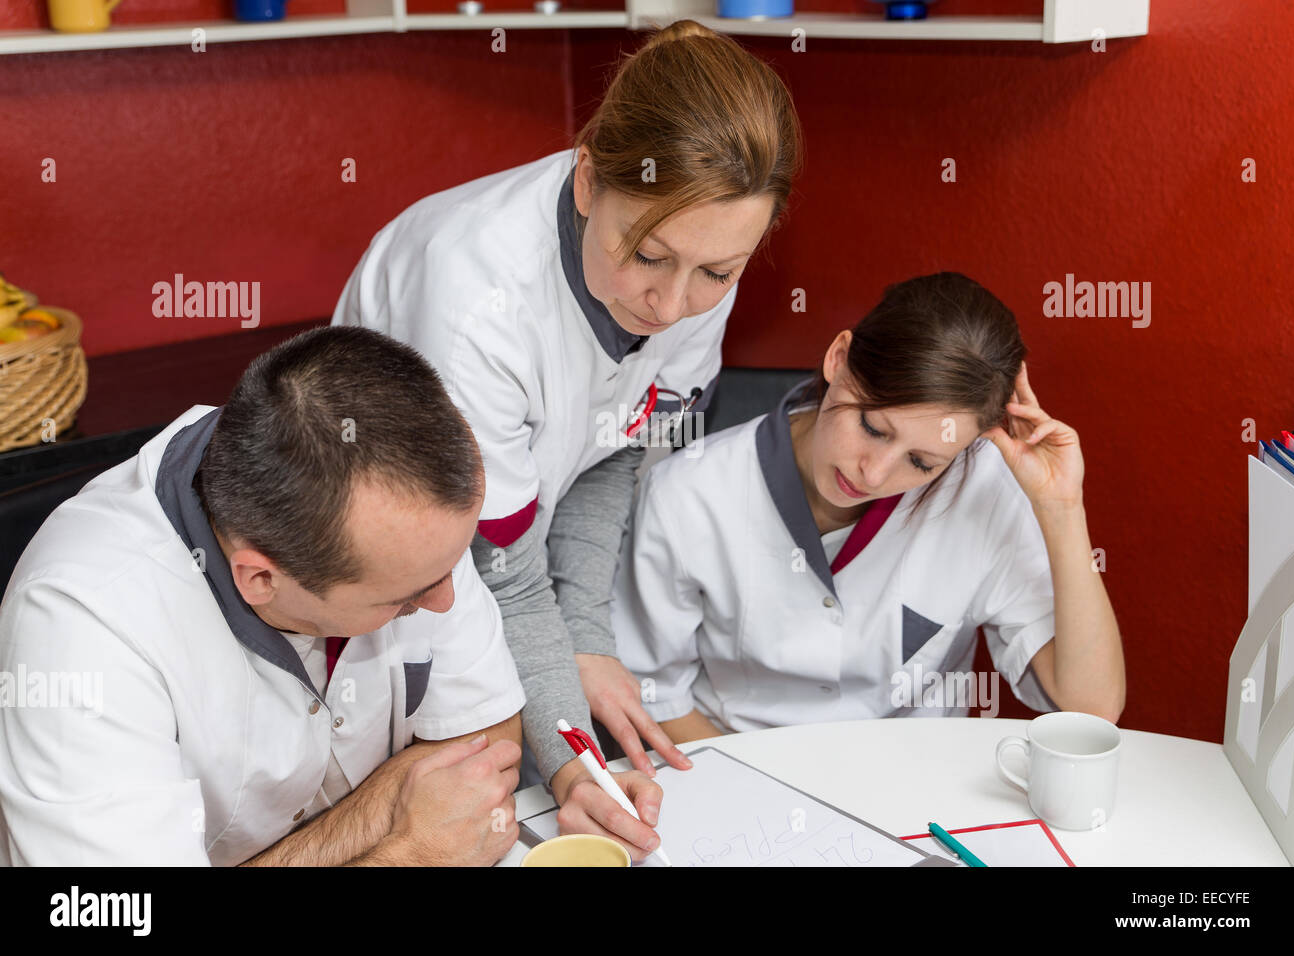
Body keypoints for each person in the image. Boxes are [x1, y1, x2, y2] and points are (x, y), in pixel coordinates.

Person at [332, 18, 804, 860]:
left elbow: (613, 448)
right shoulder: (474, 305)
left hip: (508, 572)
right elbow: (499, 574)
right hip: (377, 590)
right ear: (588, 181)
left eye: (718, 273)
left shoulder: (696, 260)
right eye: (648, 255)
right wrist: (573, 760)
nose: (672, 305)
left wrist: (582, 638)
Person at [0, 326, 525, 866]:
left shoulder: (404, 523)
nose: (446, 601)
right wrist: (410, 852)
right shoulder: (81, 627)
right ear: (260, 580)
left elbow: (489, 746)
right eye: (406, 598)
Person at [608, 272, 1126, 740]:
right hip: (737, 769)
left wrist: (1061, 508)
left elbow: (1091, 708)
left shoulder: (983, 491)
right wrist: (768, 792)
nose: (873, 474)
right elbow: (659, 696)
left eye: (921, 462)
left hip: (910, 786)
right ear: (839, 358)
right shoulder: (688, 493)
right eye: (873, 427)